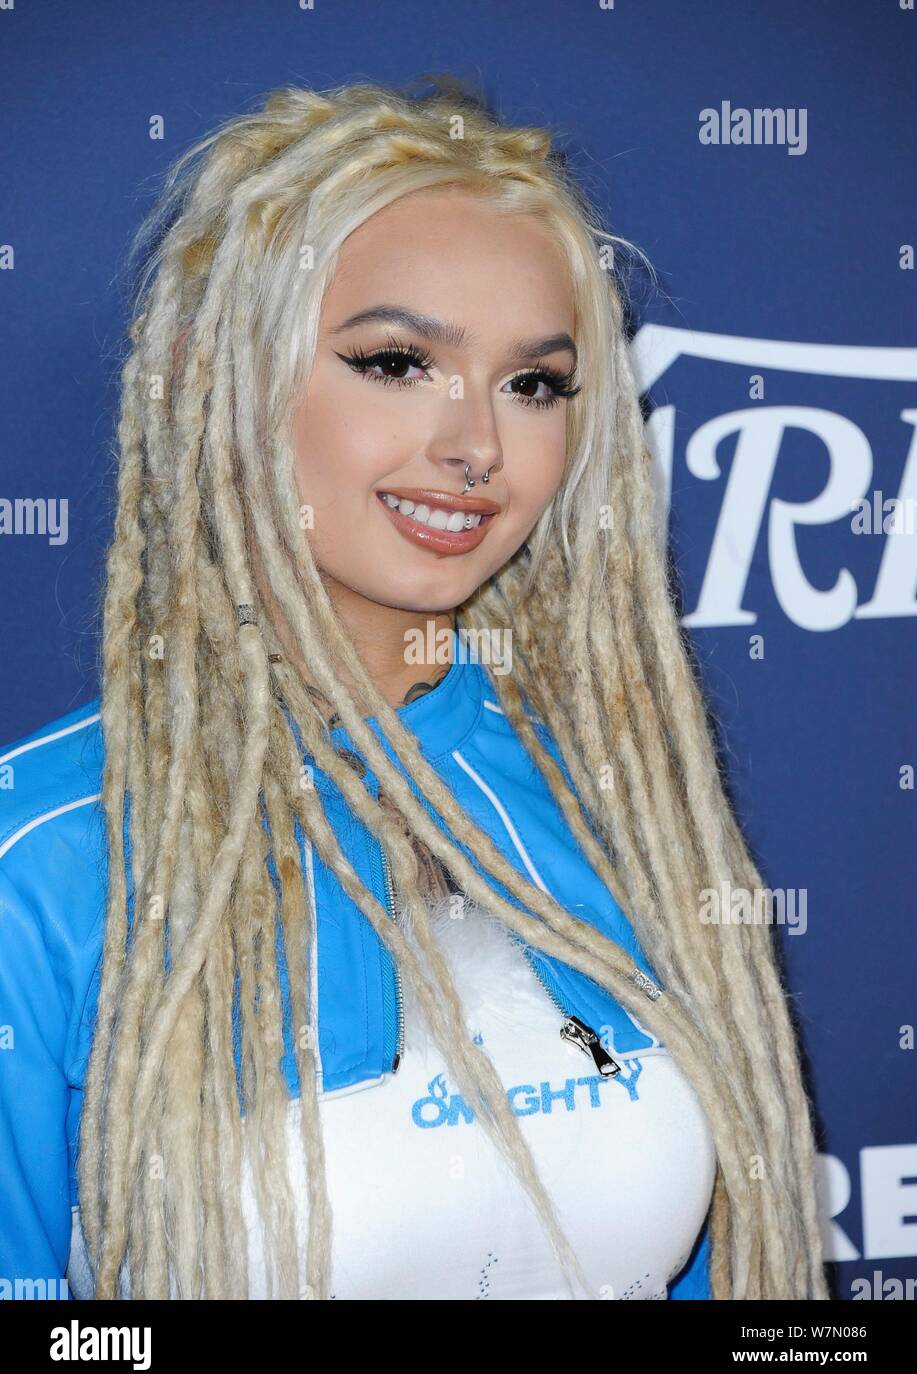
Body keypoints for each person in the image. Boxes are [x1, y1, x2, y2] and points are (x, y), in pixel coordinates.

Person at [0, 76, 828, 1301]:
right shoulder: (49, 859)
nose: (478, 444)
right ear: (210, 373)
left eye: (533, 383)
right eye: (396, 362)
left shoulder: (630, 812)